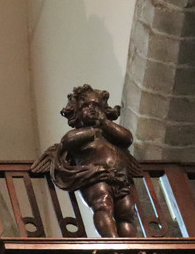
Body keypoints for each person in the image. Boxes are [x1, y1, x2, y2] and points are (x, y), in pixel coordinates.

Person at [33, 85, 143, 238]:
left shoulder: (110, 134)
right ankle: (111, 240)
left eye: (96, 105)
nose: (92, 109)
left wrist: (104, 123)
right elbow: (68, 141)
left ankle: (130, 245)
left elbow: (127, 138)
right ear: (76, 113)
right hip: (96, 176)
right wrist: (93, 131)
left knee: (127, 211)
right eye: (85, 106)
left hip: (120, 177)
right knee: (102, 204)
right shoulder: (81, 134)